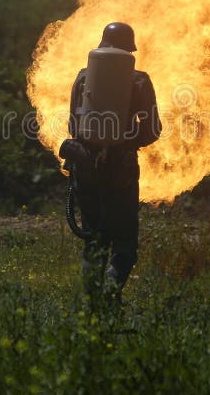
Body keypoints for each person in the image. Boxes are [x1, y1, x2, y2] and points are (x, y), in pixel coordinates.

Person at [66, 22, 161, 310]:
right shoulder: (139, 80)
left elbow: (73, 123)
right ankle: (110, 291)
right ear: (129, 48)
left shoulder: (83, 78)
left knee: (93, 239)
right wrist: (126, 143)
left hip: (85, 169)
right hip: (121, 170)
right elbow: (153, 129)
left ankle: (91, 304)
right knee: (124, 242)